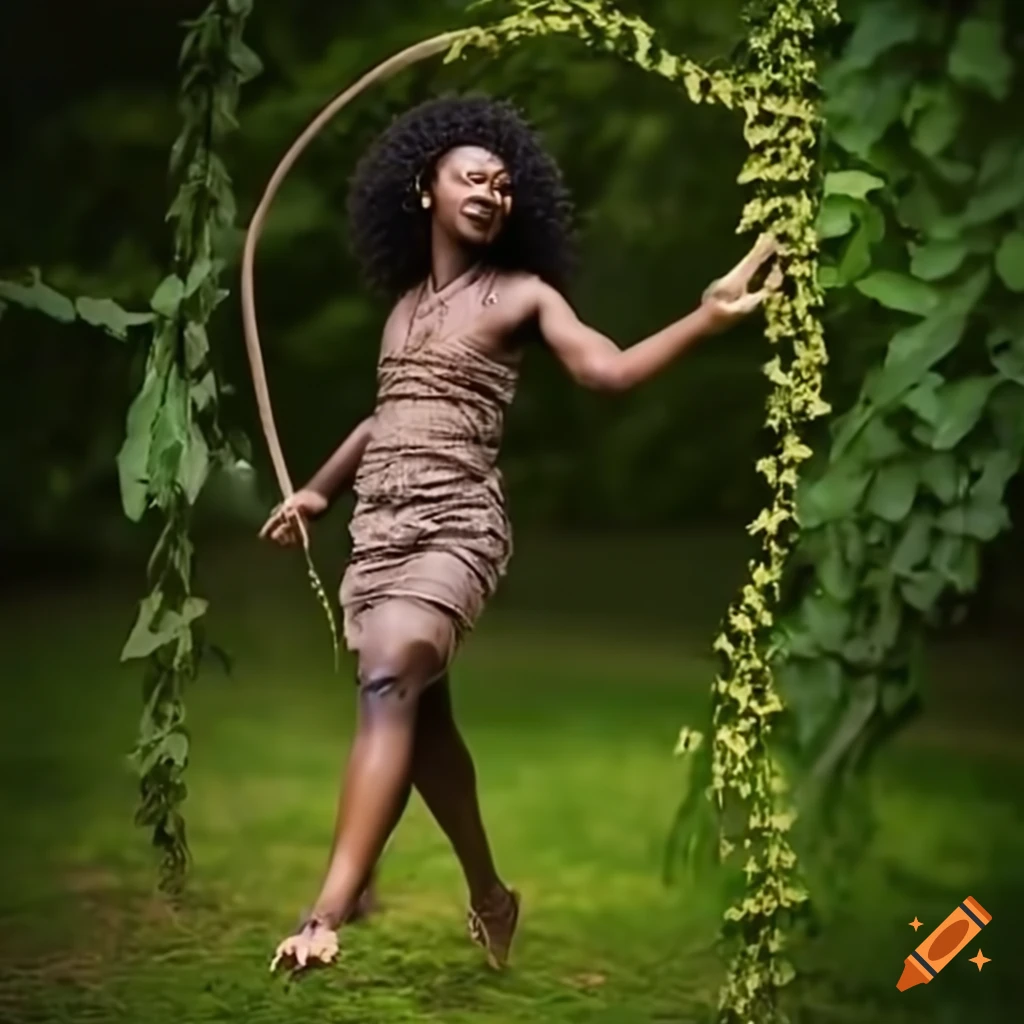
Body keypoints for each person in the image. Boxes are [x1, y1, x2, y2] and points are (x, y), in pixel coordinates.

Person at [260, 94, 779, 974]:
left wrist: (706, 314)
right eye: (473, 177)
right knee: (421, 724)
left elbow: (607, 372)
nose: (491, 192)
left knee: (389, 671)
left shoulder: (524, 296)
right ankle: (492, 898)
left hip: (456, 524)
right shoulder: (403, 307)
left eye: (504, 185)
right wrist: (316, 491)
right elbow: (388, 412)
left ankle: (325, 913)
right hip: (379, 529)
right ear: (425, 188)